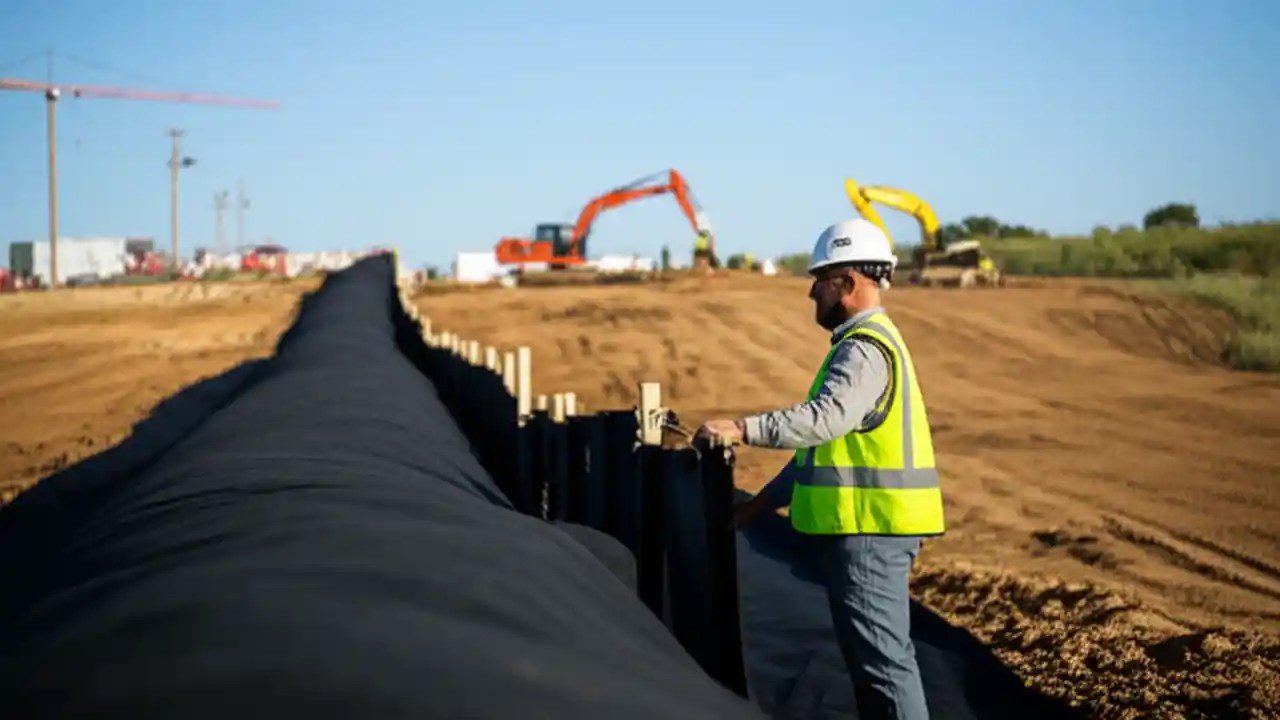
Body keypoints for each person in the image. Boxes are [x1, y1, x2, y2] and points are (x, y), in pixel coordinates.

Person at [694, 218, 944, 720]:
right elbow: (820, 455)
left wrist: (742, 429)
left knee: (884, 667)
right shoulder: (864, 344)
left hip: (872, 530)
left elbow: (822, 421)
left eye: (820, 279)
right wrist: (760, 505)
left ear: (848, 283)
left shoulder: (865, 349)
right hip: (868, 530)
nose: (812, 292)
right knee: (872, 665)